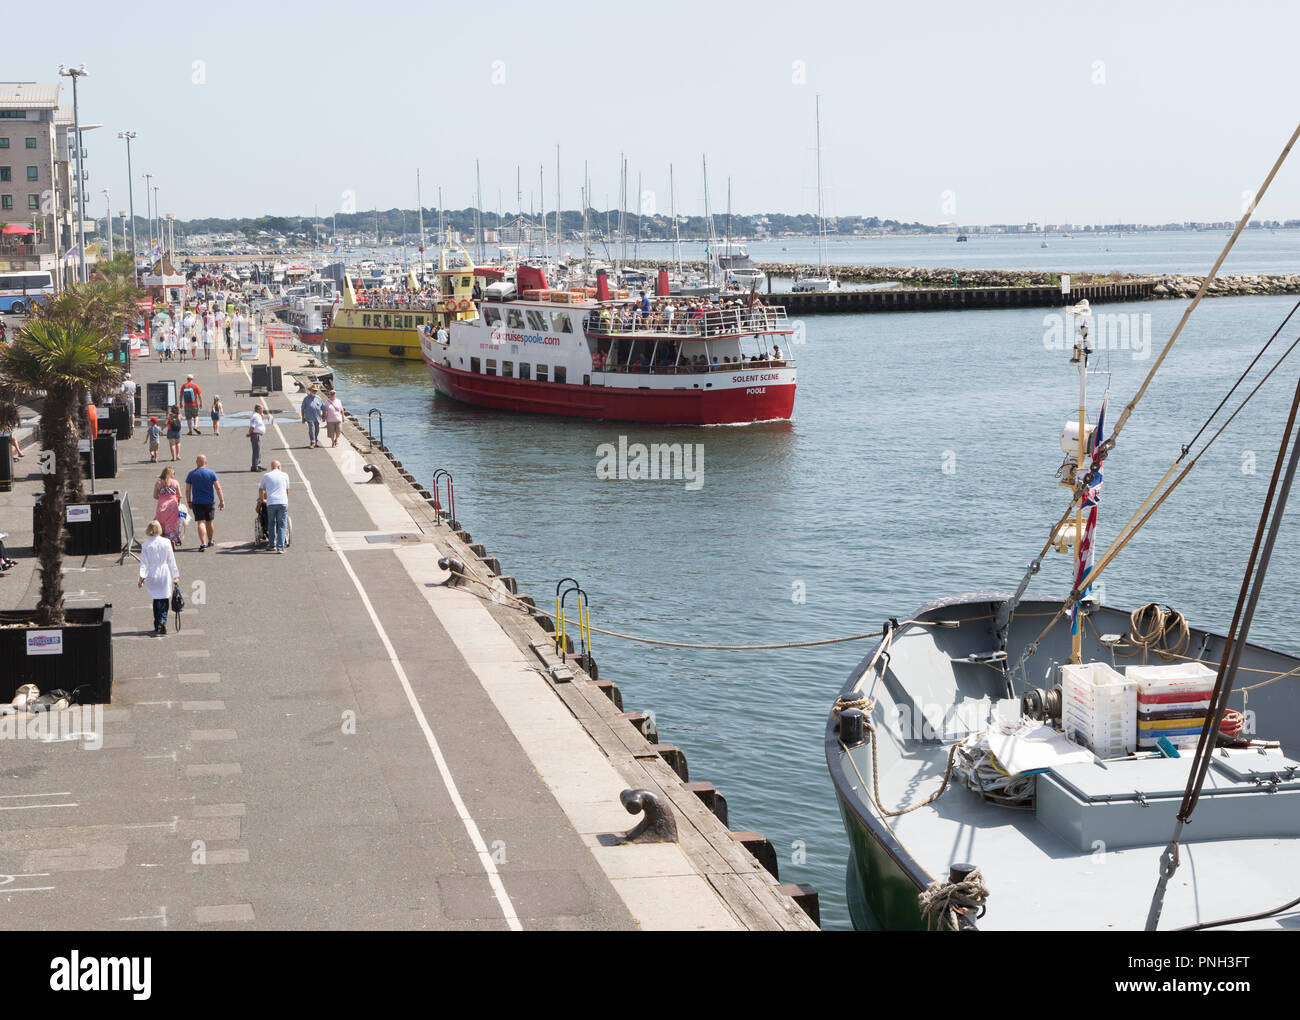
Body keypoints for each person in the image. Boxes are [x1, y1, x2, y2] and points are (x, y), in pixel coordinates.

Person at [138, 520, 180, 635]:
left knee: (156, 599)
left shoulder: (146, 545)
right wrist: (175, 575)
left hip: (152, 573)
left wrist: (141, 578)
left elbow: (144, 564)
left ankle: (157, 624)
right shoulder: (166, 542)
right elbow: (171, 560)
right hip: (164, 571)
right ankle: (163, 620)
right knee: (164, 598)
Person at [185, 454, 225, 551]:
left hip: (197, 502)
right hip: (209, 501)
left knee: (200, 522)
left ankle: (203, 543)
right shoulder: (211, 473)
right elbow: (218, 487)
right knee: (209, 521)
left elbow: (187, 490)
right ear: (205, 462)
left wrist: (189, 501)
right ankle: (210, 540)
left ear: (196, 462)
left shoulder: (191, 474)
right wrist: (222, 500)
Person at [258, 460, 290, 553]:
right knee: (282, 524)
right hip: (282, 502)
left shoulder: (266, 476)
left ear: (272, 467)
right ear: (279, 467)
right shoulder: (285, 475)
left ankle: (272, 544)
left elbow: (261, 489)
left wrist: (262, 499)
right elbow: (287, 491)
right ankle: (280, 547)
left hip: (271, 502)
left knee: (271, 523)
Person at [153, 466, 182, 546]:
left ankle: (162, 540)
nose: (174, 475)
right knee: (172, 523)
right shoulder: (175, 482)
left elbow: (155, 496)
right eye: (173, 473)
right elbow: (180, 495)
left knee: (161, 523)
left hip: (161, 506)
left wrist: (162, 497)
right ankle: (172, 539)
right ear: (170, 474)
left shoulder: (158, 483)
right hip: (172, 505)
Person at [248, 402, 266, 472]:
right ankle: (254, 466)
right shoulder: (255, 416)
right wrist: (249, 433)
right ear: (258, 409)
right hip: (255, 435)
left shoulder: (258, 415)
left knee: (258, 451)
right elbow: (252, 426)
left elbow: (260, 423)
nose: (263, 410)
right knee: (256, 451)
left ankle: (258, 465)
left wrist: (261, 415)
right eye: (262, 409)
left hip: (257, 435)